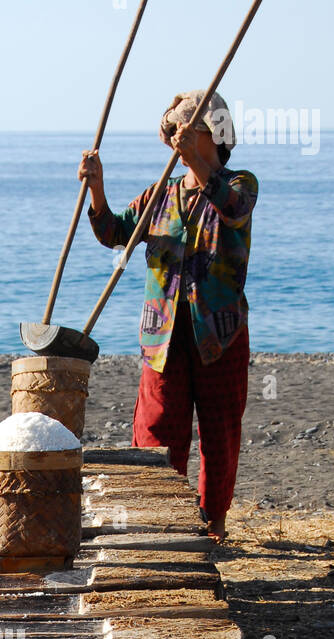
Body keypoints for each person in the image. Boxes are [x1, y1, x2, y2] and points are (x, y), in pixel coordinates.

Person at [79, 91, 258, 542]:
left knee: (219, 431)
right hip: (163, 334)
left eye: (188, 129)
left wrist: (197, 162)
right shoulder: (162, 194)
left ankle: (213, 521)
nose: (178, 137)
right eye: (177, 130)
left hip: (218, 332)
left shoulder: (240, 184)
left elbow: (232, 209)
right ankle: (160, 517)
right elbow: (113, 232)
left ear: (211, 134)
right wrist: (97, 188)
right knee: (158, 429)